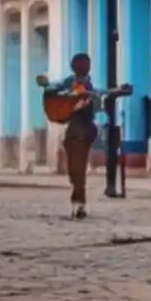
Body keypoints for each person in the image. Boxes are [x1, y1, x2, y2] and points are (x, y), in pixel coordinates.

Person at [40, 54, 105, 220]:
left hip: (83, 130)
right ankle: (78, 198)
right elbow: (53, 90)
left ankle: (79, 202)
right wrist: (50, 88)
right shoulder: (69, 82)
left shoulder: (89, 85)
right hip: (74, 131)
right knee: (75, 169)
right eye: (80, 65)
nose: (83, 69)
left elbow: (97, 105)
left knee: (78, 167)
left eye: (85, 66)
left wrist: (92, 99)